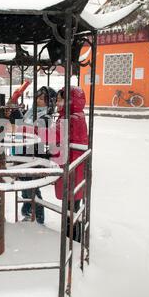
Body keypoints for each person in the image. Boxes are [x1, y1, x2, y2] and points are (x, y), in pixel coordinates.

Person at [53, 86, 88, 242]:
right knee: (72, 206)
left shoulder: (70, 118)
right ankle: (73, 237)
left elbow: (54, 136)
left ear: (70, 101)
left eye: (60, 99)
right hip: (75, 168)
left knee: (70, 208)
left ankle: (72, 240)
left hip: (71, 167)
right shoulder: (74, 116)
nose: (57, 103)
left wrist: (25, 129)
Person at [17, 86, 56, 225]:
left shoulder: (46, 117)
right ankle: (27, 213)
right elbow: (20, 124)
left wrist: (19, 127)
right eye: (38, 98)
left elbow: (37, 132)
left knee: (32, 188)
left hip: (33, 154)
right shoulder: (29, 112)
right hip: (22, 153)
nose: (39, 101)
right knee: (24, 187)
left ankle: (38, 218)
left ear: (49, 103)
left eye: (43, 99)